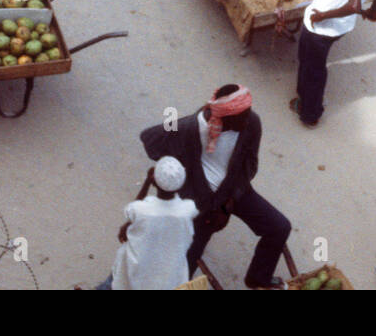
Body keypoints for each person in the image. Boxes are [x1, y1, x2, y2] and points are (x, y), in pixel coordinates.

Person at [139, 85, 292, 289]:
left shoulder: (251, 123)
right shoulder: (189, 127)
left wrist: (229, 202)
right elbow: (150, 138)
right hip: (200, 202)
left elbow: (250, 166)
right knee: (186, 263)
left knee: (279, 227)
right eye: (243, 116)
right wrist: (179, 173)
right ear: (226, 117)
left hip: (234, 191)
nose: (247, 120)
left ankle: (258, 278)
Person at [99, 157, 200, 290]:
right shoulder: (188, 209)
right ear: (181, 183)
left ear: (154, 182)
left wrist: (146, 183)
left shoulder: (142, 209)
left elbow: (134, 208)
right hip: (168, 280)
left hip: (137, 272)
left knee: (123, 264)